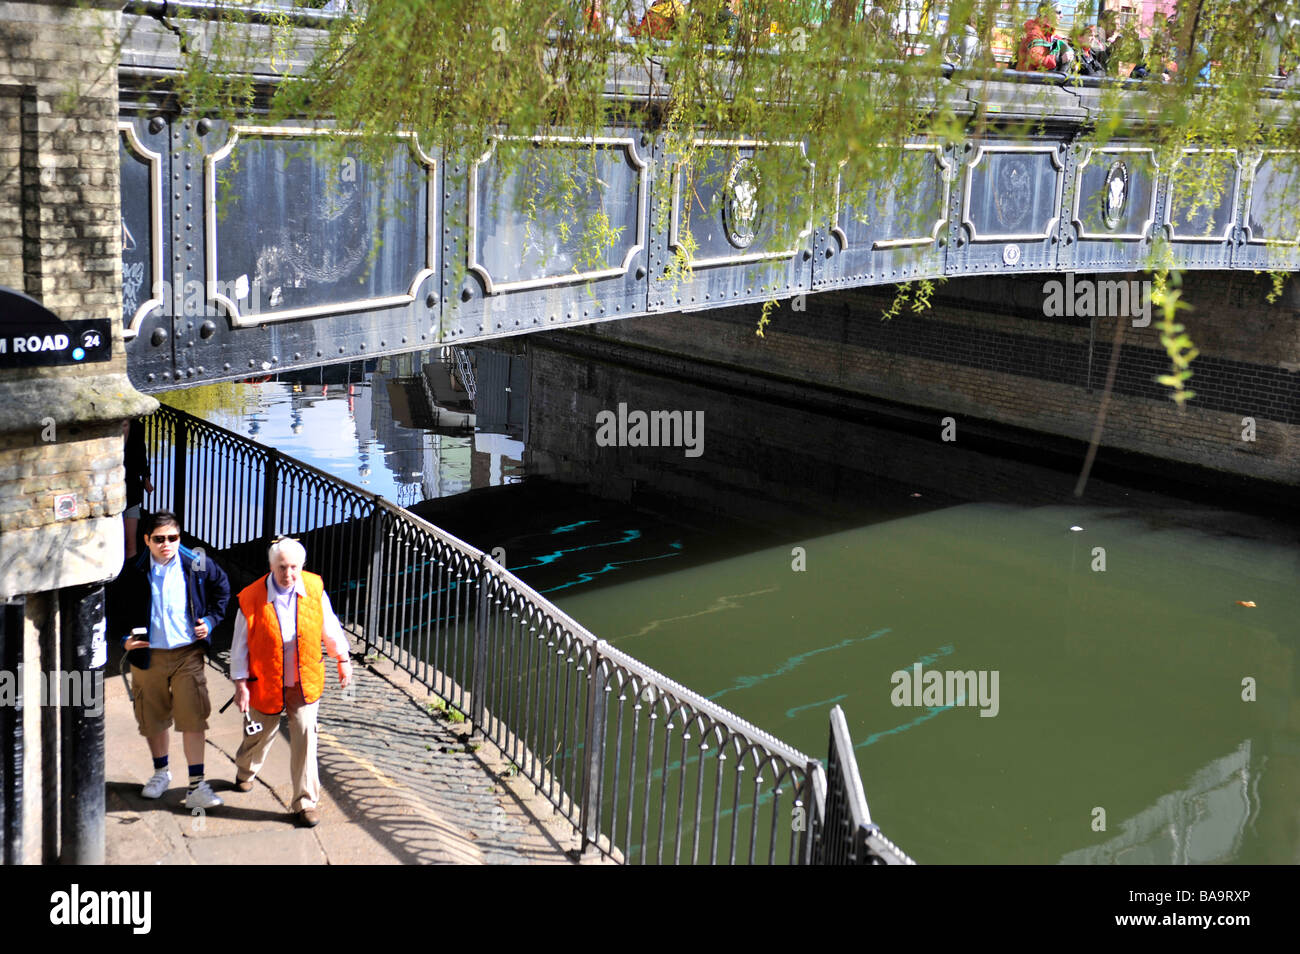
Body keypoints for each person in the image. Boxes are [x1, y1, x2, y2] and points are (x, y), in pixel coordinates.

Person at [230, 536, 353, 828]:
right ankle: (246, 769)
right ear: (271, 567)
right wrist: (240, 685)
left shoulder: (314, 588)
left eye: (294, 567)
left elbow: (329, 626)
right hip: (266, 680)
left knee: (306, 736)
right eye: (282, 567)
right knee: (261, 732)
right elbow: (239, 646)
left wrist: (343, 658)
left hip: (303, 679)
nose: (289, 574)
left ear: (302, 566)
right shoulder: (251, 598)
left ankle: (306, 802)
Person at [117, 510, 230, 810]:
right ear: (146, 540)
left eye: (173, 538)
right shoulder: (132, 570)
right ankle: (160, 773)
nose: (166, 544)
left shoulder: (197, 563)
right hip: (147, 655)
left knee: (194, 717)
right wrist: (122, 640)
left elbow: (223, 589)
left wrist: (211, 620)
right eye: (159, 539)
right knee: (152, 718)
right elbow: (112, 609)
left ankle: (197, 785)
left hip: (187, 654)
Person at [121, 417, 153, 559]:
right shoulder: (107, 429)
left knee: (130, 543)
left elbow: (141, 453)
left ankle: (129, 576)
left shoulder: (137, 427)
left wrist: (146, 479)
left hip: (131, 490)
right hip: (109, 492)